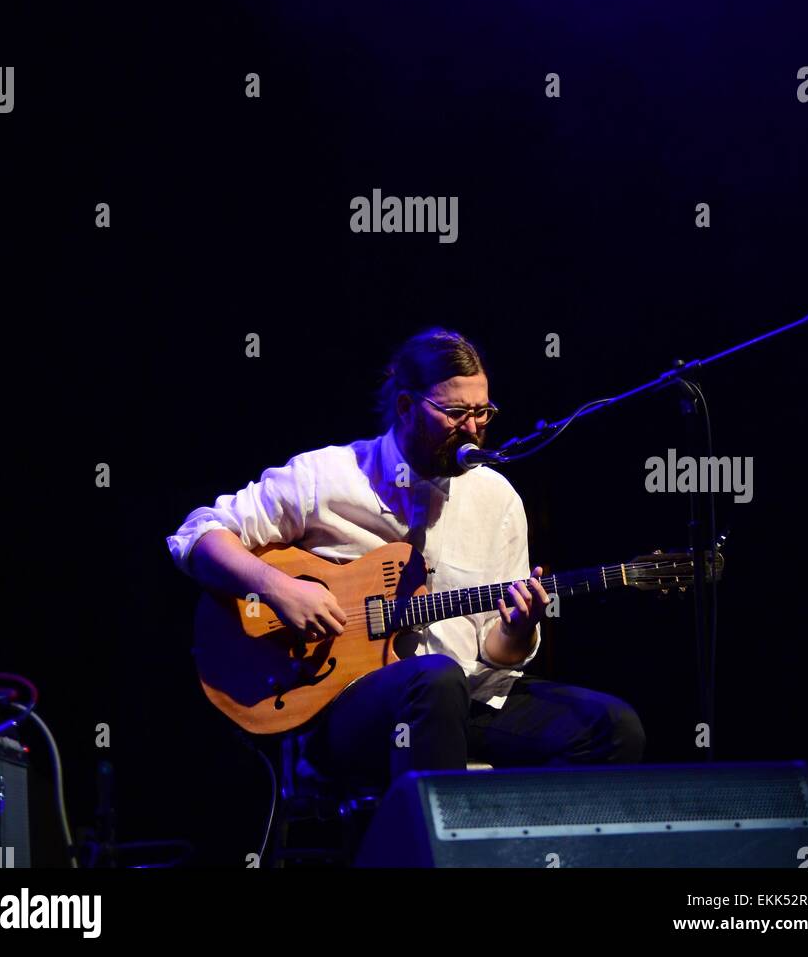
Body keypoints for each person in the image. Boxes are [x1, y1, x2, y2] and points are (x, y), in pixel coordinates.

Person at [167, 328, 645, 790]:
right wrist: (280, 588)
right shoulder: (326, 477)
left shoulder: (498, 499)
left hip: (468, 697)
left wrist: (518, 629)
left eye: (483, 412)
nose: (474, 429)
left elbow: (493, 650)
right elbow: (197, 535)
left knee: (613, 728)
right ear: (405, 406)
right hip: (348, 708)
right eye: (456, 413)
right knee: (434, 681)